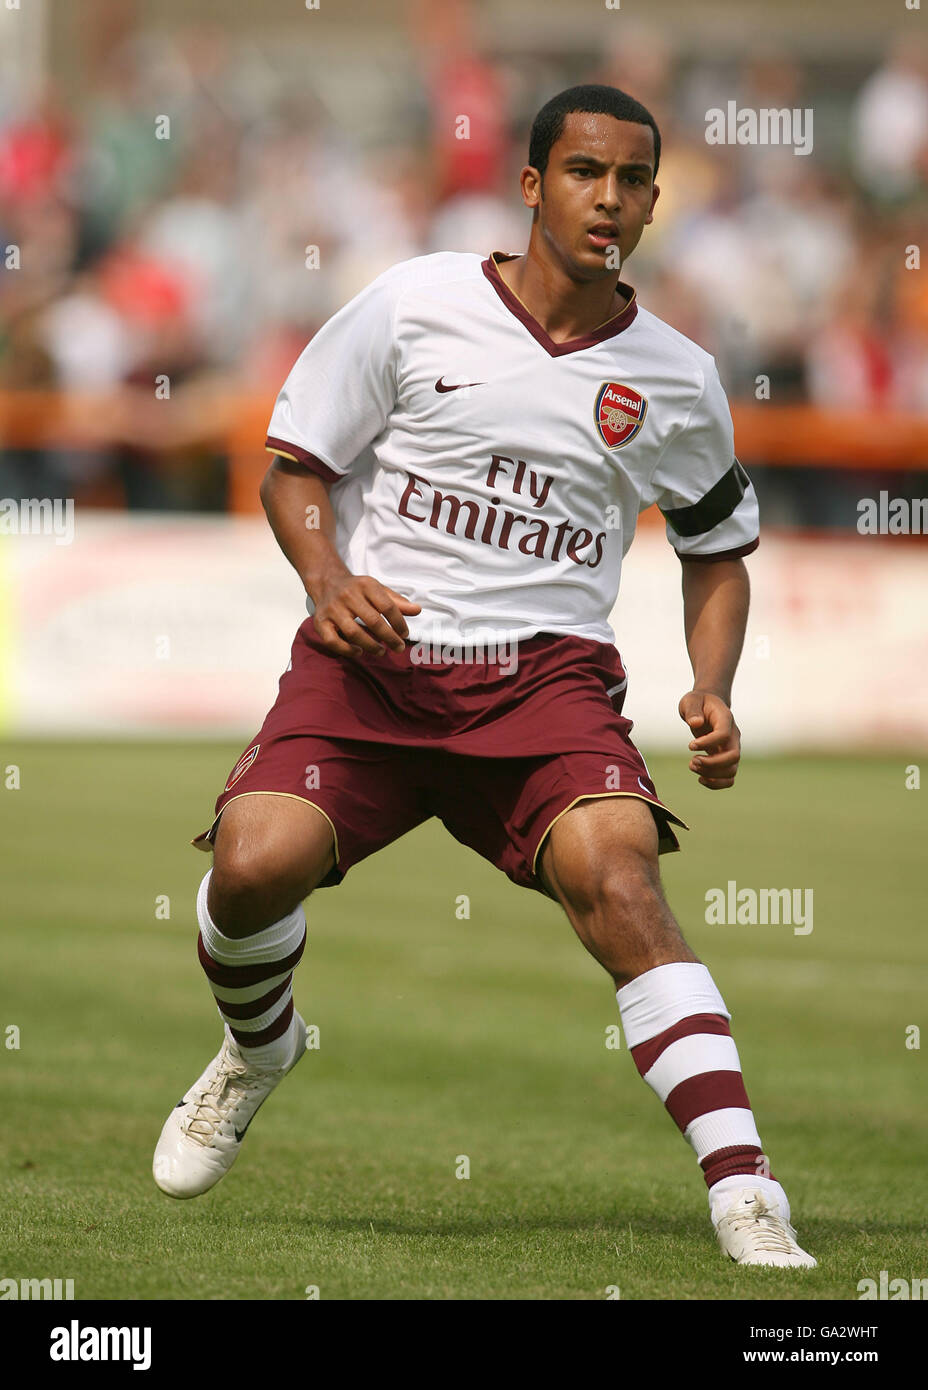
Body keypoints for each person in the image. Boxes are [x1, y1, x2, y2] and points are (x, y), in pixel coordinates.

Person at [153, 84, 815, 1270]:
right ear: (532, 185)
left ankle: (746, 1190)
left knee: (622, 886)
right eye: (582, 173)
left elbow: (717, 551)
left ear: (654, 202)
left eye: (630, 181)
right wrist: (324, 580)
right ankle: (257, 1048)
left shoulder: (675, 376)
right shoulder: (414, 304)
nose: (606, 199)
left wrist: (713, 686)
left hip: (545, 689)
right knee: (252, 871)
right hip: (373, 666)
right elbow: (292, 470)